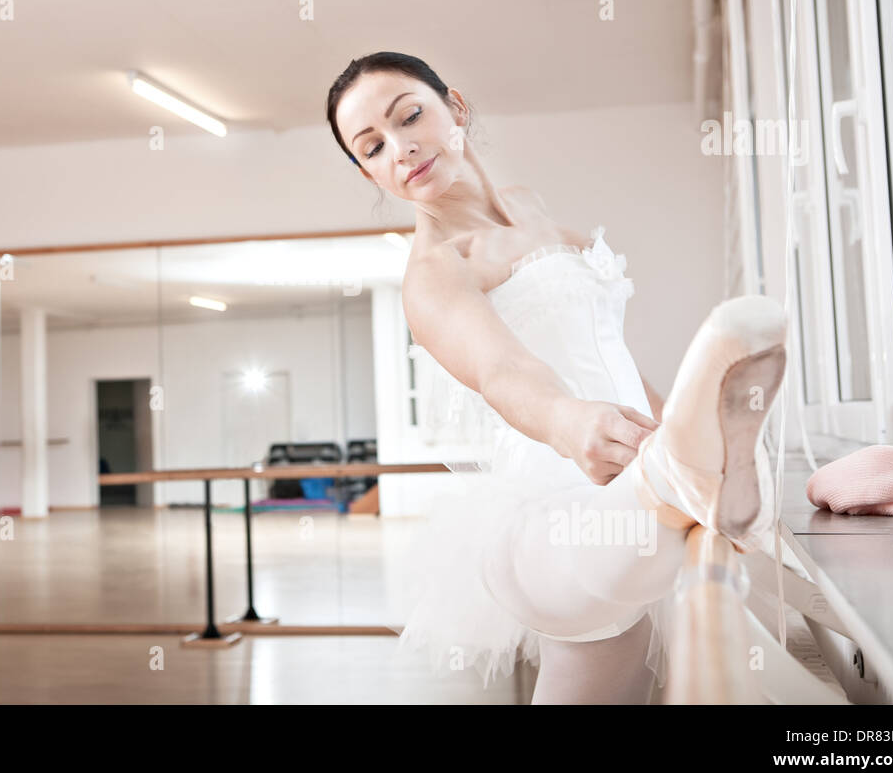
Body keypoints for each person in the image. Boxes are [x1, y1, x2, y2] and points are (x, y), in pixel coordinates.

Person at [326, 52, 788, 703]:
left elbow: (611, 357)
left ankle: (687, 454)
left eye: (410, 117)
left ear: (455, 108)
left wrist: (662, 422)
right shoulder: (436, 270)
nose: (400, 150)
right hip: (551, 504)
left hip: (630, 461)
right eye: (372, 147)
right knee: (624, 544)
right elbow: (504, 370)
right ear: (367, 168)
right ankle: (684, 464)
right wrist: (570, 422)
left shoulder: (526, 210)